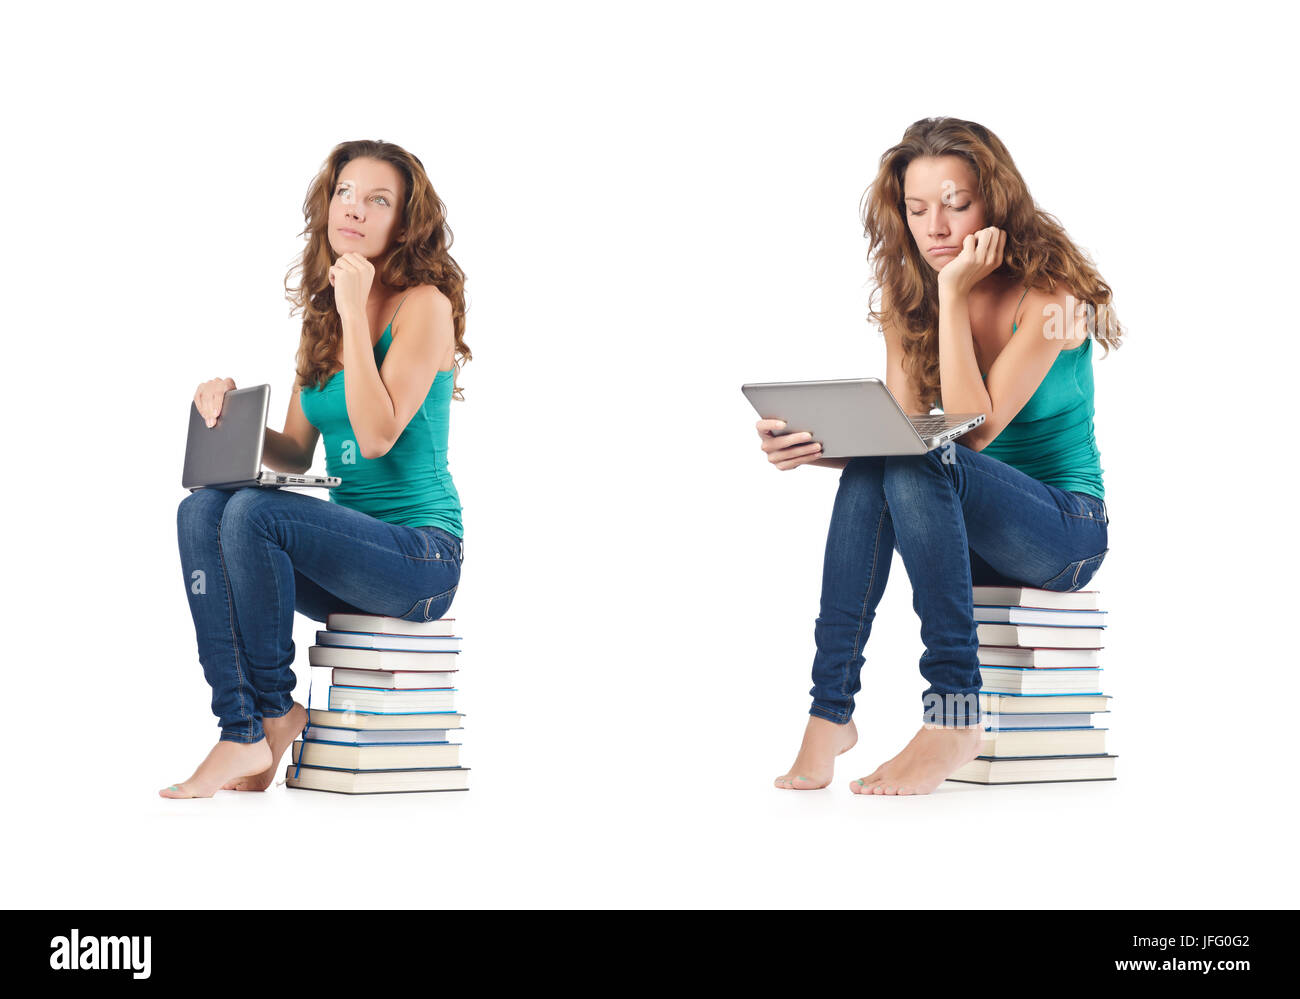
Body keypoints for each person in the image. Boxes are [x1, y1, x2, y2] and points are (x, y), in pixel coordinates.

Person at [759, 117, 1122, 796]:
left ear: (995, 204)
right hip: (964, 526)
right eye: (918, 209)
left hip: (1064, 530)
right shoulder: (908, 300)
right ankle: (828, 711)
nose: (937, 227)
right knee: (882, 460)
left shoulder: (1052, 298)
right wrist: (813, 450)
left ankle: (954, 711)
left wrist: (953, 295)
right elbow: (900, 450)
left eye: (956, 204)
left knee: (928, 452)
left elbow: (970, 434)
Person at [163, 139, 471, 798]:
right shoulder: (323, 318)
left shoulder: (425, 305)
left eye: (378, 199)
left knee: (253, 512)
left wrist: (357, 312)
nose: (354, 209)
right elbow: (296, 450)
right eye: (345, 193)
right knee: (203, 508)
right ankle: (244, 726)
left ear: (404, 223)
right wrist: (228, 412)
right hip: (349, 555)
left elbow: (377, 434)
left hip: (422, 559)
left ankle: (272, 714)